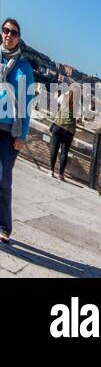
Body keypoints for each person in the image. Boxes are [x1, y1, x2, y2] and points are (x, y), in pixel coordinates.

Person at [0, 18, 34, 244]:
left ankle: (3, 225)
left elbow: (27, 103)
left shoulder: (24, 68)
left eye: (13, 32)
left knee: (3, 179)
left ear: (19, 37)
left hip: (9, 130)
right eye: (5, 30)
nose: (9, 35)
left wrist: (22, 136)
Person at [49, 83, 78, 181]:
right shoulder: (78, 103)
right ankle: (61, 175)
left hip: (58, 126)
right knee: (64, 153)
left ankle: (51, 171)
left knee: (54, 149)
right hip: (69, 130)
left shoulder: (63, 97)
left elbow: (58, 101)